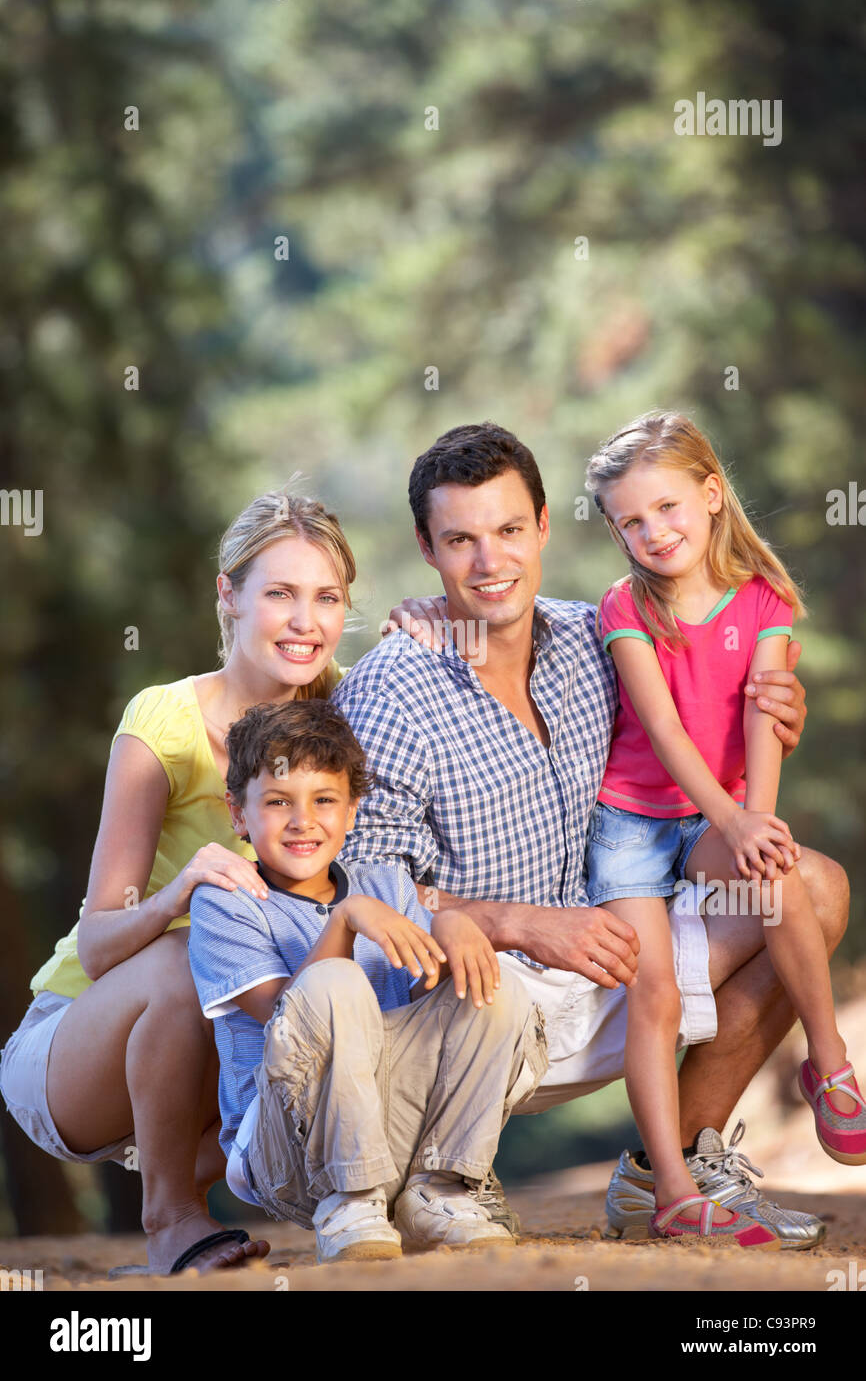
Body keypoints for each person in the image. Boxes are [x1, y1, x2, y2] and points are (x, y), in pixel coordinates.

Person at [334, 419, 849, 1249]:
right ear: (427, 549)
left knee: (809, 890)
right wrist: (517, 922)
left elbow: (702, 702)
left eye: (508, 530)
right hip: (480, 999)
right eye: (460, 541)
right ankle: (436, 1172)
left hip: (611, 966)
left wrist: (779, 705)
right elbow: (359, 885)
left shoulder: (593, 636)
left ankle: (671, 1173)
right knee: (482, 968)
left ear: (544, 526)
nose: (489, 562)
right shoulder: (392, 687)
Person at [0, 488, 353, 1274]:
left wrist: (430, 628)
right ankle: (168, 1217)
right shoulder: (164, 721)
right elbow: (98, 945)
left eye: (327, 598)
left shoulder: (347, 713)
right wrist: (180, 892)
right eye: (281, 594)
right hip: (78, 1043)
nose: (306, 621)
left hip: (224, 1045)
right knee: (187, 951)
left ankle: (227, 1169)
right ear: (229, 596)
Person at [580, 411, 864, 1243]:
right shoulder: (626, 606)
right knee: (655, 990)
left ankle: (829, 1065)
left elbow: (763, 716)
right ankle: (669, 1190)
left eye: (666, 507)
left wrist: (757, 824)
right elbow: (665, 731)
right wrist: (734, 818)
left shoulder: (765, 597)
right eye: (631, 521)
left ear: (711, 494)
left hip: (715, 819)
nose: (653, 532)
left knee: (781, 875)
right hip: (633, 824)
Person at [187, 698, 547, 1263]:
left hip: (395, 1131)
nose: (303, 821)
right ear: (238, 813)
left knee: (490, 989)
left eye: (324, 800)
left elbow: (431, 1001)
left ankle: (440, 1191)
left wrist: (452, 927)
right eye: (278, 802)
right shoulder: (227, 903)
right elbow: (288, 1017)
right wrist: (345, 919)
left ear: (352, 811)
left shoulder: (386, 884)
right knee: (335, 980)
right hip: (290, 1151)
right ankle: (349, 1203)